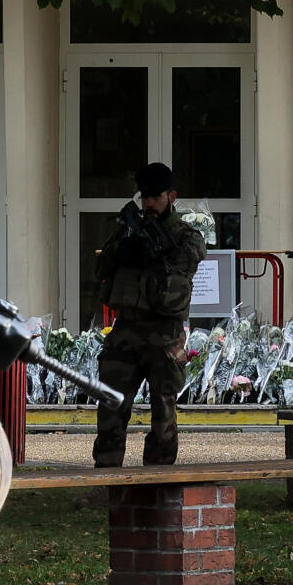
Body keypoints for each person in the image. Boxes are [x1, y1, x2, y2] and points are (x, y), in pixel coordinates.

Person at [91, 163, 208, 467]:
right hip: (126, 329)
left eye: (156, 196)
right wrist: (122, 250)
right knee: (111, 406)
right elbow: (101, 269)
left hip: (164, 335)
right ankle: (106, 479)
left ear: (172, 196)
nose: (149, 203)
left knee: (163, 411)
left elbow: (185, 267)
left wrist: (154, 255)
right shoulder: (128, 231)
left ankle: (160, 485)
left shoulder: (186, 236)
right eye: (145, 197)